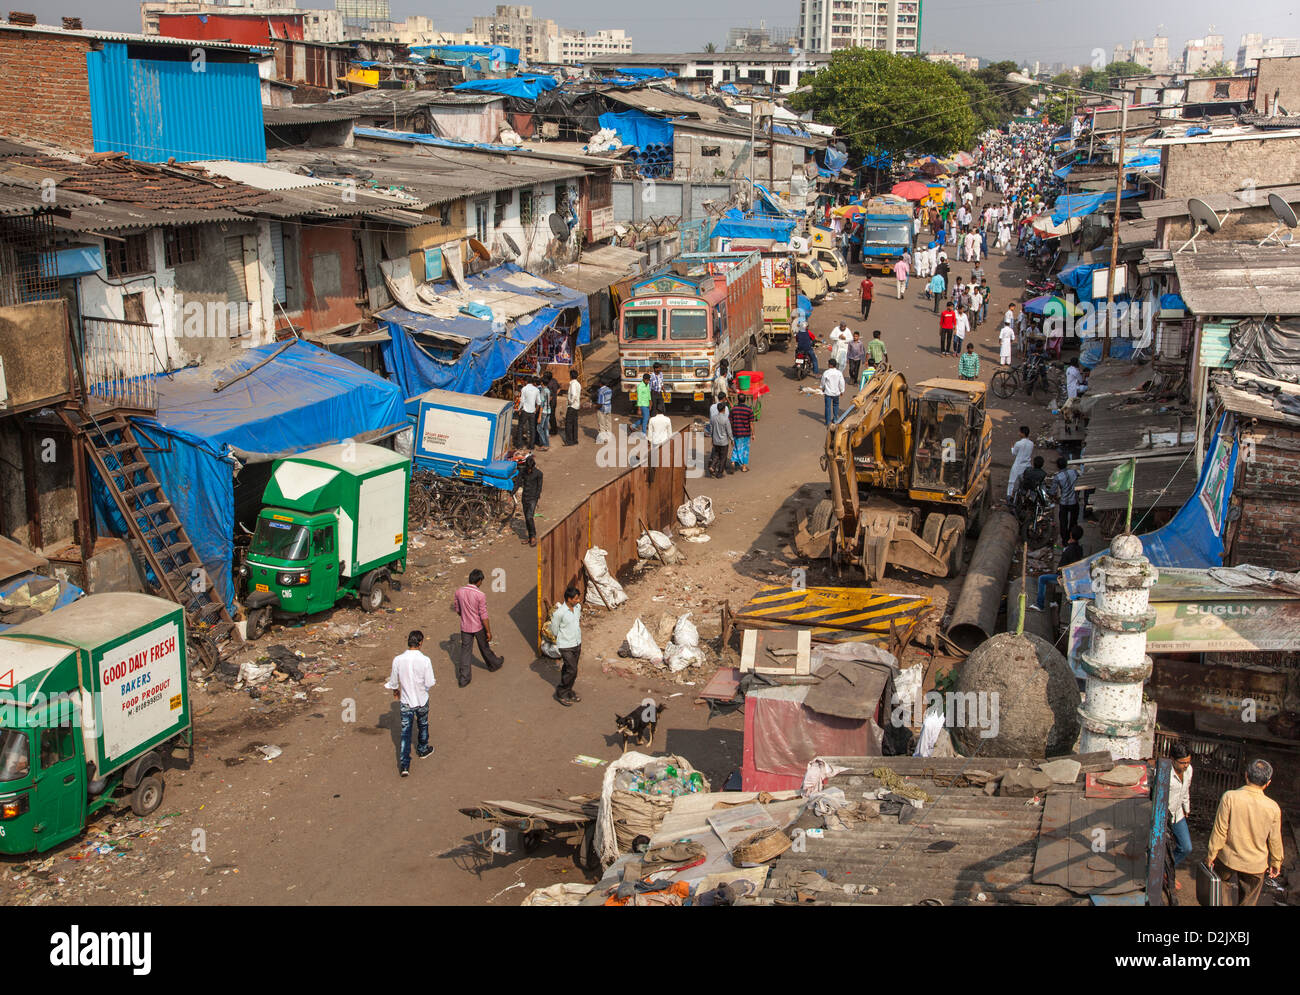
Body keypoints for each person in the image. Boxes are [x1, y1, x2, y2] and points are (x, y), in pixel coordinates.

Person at [1207, 759, 1284, 906]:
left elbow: (1220, 831)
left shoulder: (1230, 797)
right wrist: (1276, 861)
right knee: (1248, 901)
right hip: (1255, 865)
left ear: (1246, 775)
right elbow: (1274, 838)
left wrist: (1211, 854)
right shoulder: (1273, 807)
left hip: (1228, 859)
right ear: (1268, 783)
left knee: (1220, 895)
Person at [384, 630, 436, 776]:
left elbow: (394, 682)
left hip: (406, 701)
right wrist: (423, 688)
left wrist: (395, 691)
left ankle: (404, 765)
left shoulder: (398, 660)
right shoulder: (425, 660)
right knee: (423, 724)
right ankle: (423, 749)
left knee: (405, 733)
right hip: (422, 699)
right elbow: (430, 682)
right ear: (420, 643)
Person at [452, 569, 503, 687]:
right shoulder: (480, 595)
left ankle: (464, 678)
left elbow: (458, 609)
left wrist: (464, 615)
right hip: (478, 626)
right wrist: (489, 631)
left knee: (465, 652)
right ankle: (494, 664)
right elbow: (483, 615)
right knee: (484, 647)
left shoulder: (459, 592)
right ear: (479, 581)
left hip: (465, 626)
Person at [1033, 525, 1084, 611]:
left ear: (1071, 534)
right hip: (1073, 577)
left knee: (1042, 579)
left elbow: (1062, 565)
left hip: (1064, 577)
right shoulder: (1079, 549)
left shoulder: (1069, 550)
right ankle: (1052, 601)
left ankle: (1040, 605)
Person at [549, 585, 583, 706]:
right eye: (575, 599)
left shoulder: (578, 607)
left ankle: (568, 691)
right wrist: (562, 638)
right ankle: (561, 692)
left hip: (577, 643)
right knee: (572, 670)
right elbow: (554, 629)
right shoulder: (559, 613)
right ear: (569, 599)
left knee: (569, 669)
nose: (578, 601)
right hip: (565, 645)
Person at [1168, 743, 1195, 881]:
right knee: (1158, 849)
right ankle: (1160, 872)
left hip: (1178, 813)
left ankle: (1166, 870)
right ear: (1172, 759)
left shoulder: (1189, 770)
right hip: (1162, 817)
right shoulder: (1164, 773)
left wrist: (1186, 807)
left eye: (1188, 762)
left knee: (1186, 847)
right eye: (1182, 762)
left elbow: (1186, 790)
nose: (1185, 765)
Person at [1050, 456, 1081, 543]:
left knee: (1063, 522)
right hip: (1074, 501)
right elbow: (1081, 475)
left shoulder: (1057, 477)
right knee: (1073, 521)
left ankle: (1065, 540)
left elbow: (1052, 491)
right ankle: (1073, 538)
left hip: (1064, 502)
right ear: (1067, 464)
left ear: (1057, 466)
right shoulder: (1074, 472)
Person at [518, 454, 542, 547]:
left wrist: (535, 499)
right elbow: (518, 482)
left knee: (529, 516)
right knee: (527, 518)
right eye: (528, 468)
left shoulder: (539, 474)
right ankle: (530, 536)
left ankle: (533, 537)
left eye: (530, 468)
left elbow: (539, 488)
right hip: (525, 497)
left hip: (533, 498)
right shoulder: (523, 472)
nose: (529, 470)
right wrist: (513, 492)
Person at [708, 396, 733, 478]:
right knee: (723, 457)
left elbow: (711, 429)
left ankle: (712, 466)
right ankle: (719, 473)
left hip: (715, 440)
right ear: (724, 409)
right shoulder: (726, 419)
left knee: (716, 455)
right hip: (724, 441)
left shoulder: (713, 418)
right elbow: (729, 431)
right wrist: (732, 439)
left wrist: (712, 438)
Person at [1007, 425, 1034, 504]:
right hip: (1027, 465)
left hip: (1018, 465)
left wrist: (1012, 447)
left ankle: (1010, 497)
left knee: (1012, 481)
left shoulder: (1018, 443)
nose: (1018, 433)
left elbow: (1014, 453)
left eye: (1019, 432)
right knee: (1024, 482)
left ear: (1022, 433)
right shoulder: (1031, 443)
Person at [729, 394, 753, 472]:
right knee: (745, 450)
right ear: (745, 400)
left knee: (736, 447)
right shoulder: (749, 410)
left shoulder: (733, 409)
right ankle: (744, 467)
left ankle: (733, 462)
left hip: (736, 432)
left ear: (738, 400)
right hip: (746, 433)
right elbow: (751, 423)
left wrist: (732, 431)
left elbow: (730, 421)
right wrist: (753, 433)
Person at [821, 359, 846, 426]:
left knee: (827, 407)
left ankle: (828, 422)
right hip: (836, 393)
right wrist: (842, 390)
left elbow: (823, 382)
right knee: (836, 405)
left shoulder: (826, 372)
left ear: (830, 365)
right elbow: (842, 382)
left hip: (828, 393)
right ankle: (835, 419)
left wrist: (822, 388)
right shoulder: (839, 373)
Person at [519, 377, 540, 449]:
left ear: (526, 381)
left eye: (524, 381)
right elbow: (539, 402)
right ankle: (531, 446)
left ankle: (520, 445)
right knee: (532, 429)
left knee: (520, 427)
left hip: (525, 410)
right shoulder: (536, 390)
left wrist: (519, 409)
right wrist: (535, 411)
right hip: (532, 412)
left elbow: (522, 401)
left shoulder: (524, 389)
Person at [564, 372, 581, 446]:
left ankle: (569, 441)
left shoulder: (573, 384)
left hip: (572, 406)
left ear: (570, 376)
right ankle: (575, 439)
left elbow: (573, 394)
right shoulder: (578, 384)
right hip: (576, 406)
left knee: (568, 423)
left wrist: (570, 401)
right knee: (574, 423)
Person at [536, 376, 552, 450]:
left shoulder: (543, 391)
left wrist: (539, 415)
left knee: (539, 428)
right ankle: (547, 444)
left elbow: (542, 403)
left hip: (544, 411)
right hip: (548, 410)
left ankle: (544, 444)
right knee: (545, 428)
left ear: (542, 382)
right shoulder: (548, 390)